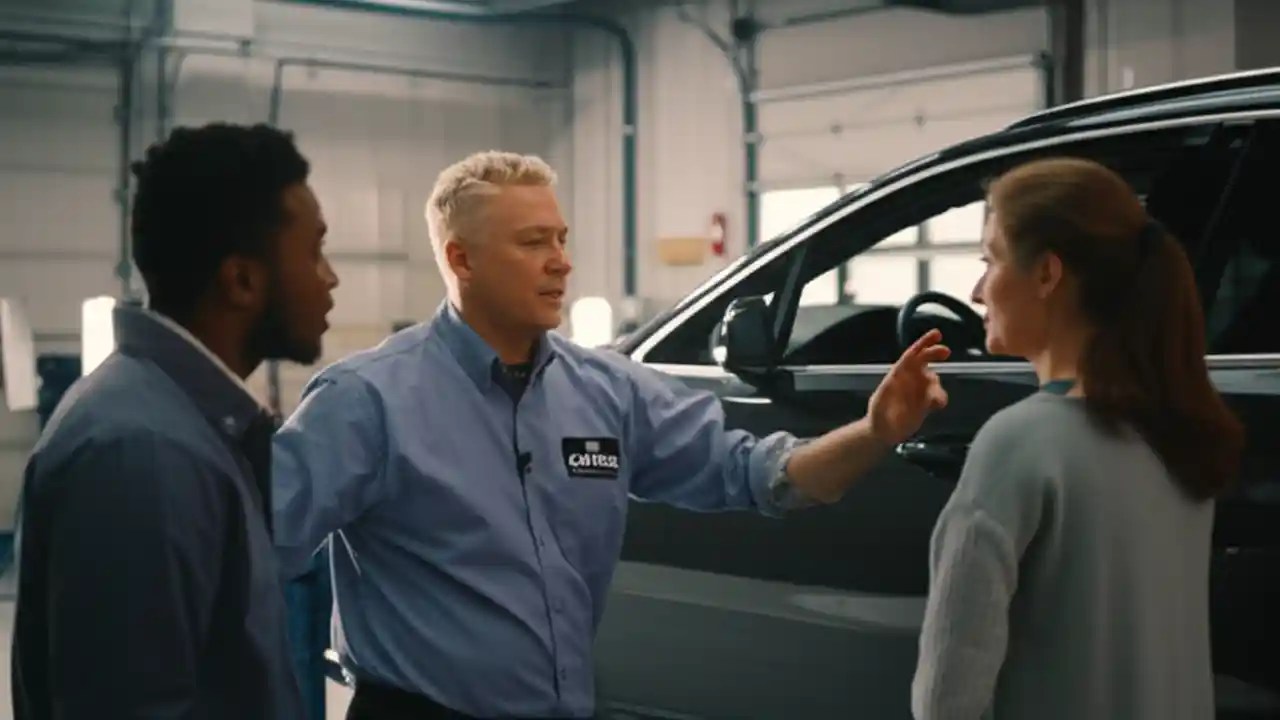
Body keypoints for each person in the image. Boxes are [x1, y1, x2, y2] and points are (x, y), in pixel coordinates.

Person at [272, 150, 950, 720]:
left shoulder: (607, 392)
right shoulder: (367, 401)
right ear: (462, 258)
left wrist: (874, 431)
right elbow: (251, 556)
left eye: (561, 239)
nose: (560, 262)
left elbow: (761, 476)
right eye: (532, 243)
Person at [9, 122, 339, 719]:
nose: (330, 277)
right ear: (241, 280)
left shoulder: (182, 422)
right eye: (314, 251)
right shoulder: (143, 451)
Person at [910, 157, 1245, 720]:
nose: (976, 290)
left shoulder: (1021, 442)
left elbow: (948, 697)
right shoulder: (1180, 435)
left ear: (1046, 274)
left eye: (990, 260)